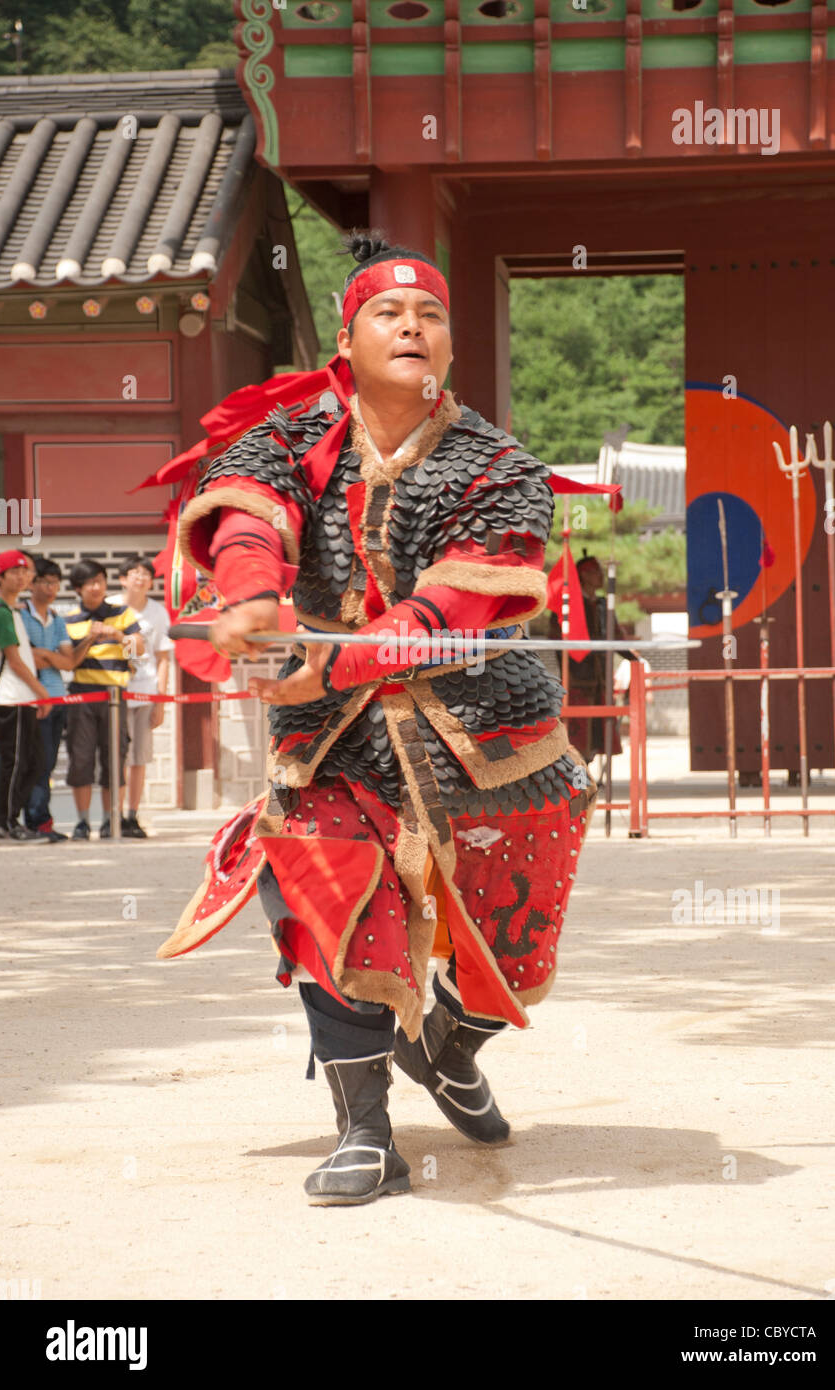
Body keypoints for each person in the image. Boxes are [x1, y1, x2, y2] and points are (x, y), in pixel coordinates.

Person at [158, 231, 596, 1207]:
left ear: (449, 346)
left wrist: (326, 653)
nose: (412, 326)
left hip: (491, 737)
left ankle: (449, 1040)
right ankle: (365, 1128)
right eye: (389, 313)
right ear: (347, 343)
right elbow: (245, 522)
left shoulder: (498, 462)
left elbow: (455, 611)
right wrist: (255, 599)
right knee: (316, 879)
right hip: (330, 740)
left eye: (431, 313)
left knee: (508, 955)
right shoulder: (286, 437)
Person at [63, 559, 144, 840]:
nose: (96, 587)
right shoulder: (70, 619)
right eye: (89, 583)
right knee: (81, 759)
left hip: (115, 696)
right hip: (81, 697)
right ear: (77, 588)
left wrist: (118, 635)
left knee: (115, 758)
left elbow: (139, 647)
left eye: (100, 580)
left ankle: (112, 820)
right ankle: (82, 822)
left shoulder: (122, 613)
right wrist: (89, 638)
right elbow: (68, 662)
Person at [20, 557, 97, 841]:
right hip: (28, 700)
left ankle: (40, 821)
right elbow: (25, 658)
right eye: (46, 581)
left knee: (47, 763)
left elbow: (68, 663)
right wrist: (51, 657)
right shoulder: (20, 614)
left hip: (57, 700)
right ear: (32, 583)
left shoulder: (56, 619)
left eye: (56, 582)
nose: (52, 588)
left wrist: (49, 655)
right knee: (28, 763)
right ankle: (31, 821)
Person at [549, 551, 636, 762]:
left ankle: (589, 775)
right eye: (595, 571)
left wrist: (634, 658)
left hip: (601, 678)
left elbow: (616, 636)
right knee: (577, 737)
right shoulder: (567, 605)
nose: (600, 575)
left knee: (599, 734)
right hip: (578, 678)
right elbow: (556, 637)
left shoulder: (604, 605)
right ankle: (577, 774)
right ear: (583, 574)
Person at [115, 556, 174, 838]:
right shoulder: (111, 606)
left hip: (146, 692)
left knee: (138, 757)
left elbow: (163, 658)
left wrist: (160, 701)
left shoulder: (158, 613)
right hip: (114, 692)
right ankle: (111, 816)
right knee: (115, 756)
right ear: (122, 579)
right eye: (134, 573)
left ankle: (131, 815)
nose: (140, 578)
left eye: (146, 574)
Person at [0, 550, 51, 841]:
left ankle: (9, 819)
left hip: (24, 698)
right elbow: (14, 660)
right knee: (14, 762)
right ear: (0, 576)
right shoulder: (1, 612)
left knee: (33, 764)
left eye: (25, 571)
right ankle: (4, 823)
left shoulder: (13, 610)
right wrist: (42, 693)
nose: (21, 576)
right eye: (13, 572)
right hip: (11, 697)